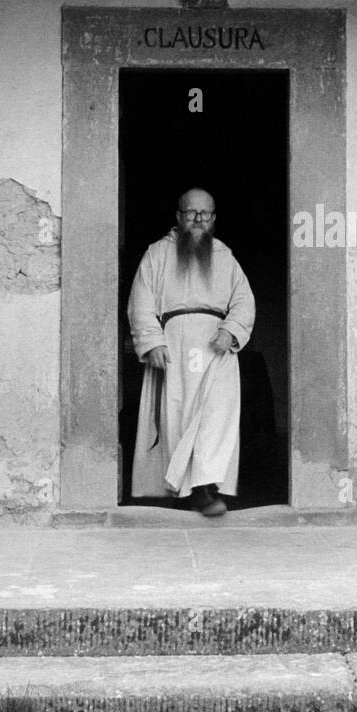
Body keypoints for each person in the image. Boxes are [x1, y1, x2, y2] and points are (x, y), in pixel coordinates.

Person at [128, 188, 255, 516]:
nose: (198, 219)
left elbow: (244, 300)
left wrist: (231, 330)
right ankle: (181, 489)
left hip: (218, 346)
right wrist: (152, 341)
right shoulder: (157, 253)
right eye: (191, 213)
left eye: (205, 214)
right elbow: (140, 300)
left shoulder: (224, 256)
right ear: (178, 216)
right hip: (174, 345)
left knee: (216, 417)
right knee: (178, 414)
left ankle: (204, 487)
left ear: (213, 218)